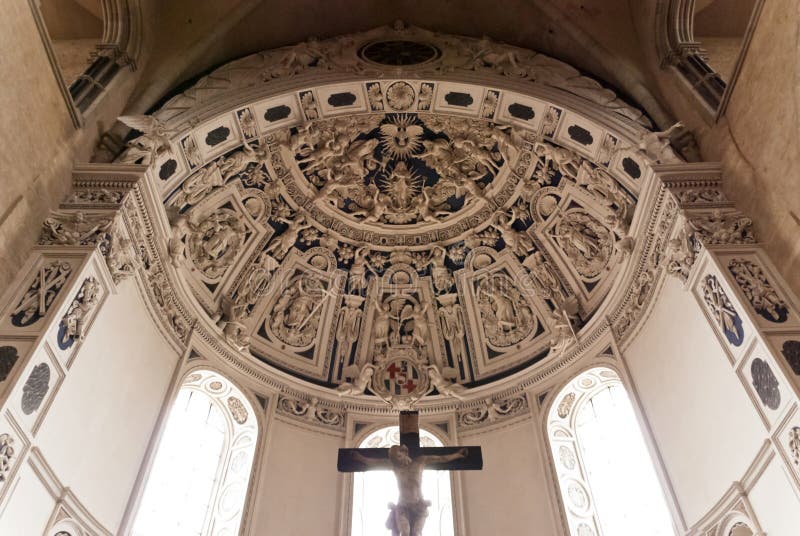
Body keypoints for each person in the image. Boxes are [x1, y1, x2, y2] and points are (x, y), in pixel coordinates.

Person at [353, 445, 467, 536]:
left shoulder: (420, 462)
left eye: (398, 457)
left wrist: (457, 455)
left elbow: (442, 458)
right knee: (404, 533)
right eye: (393, 459)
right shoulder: (394, 466)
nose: (396, 461)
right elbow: (375, 463)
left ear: (404, 452)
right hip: (403, 506)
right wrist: (359, 458)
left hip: (419, 505)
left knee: (417, 533)